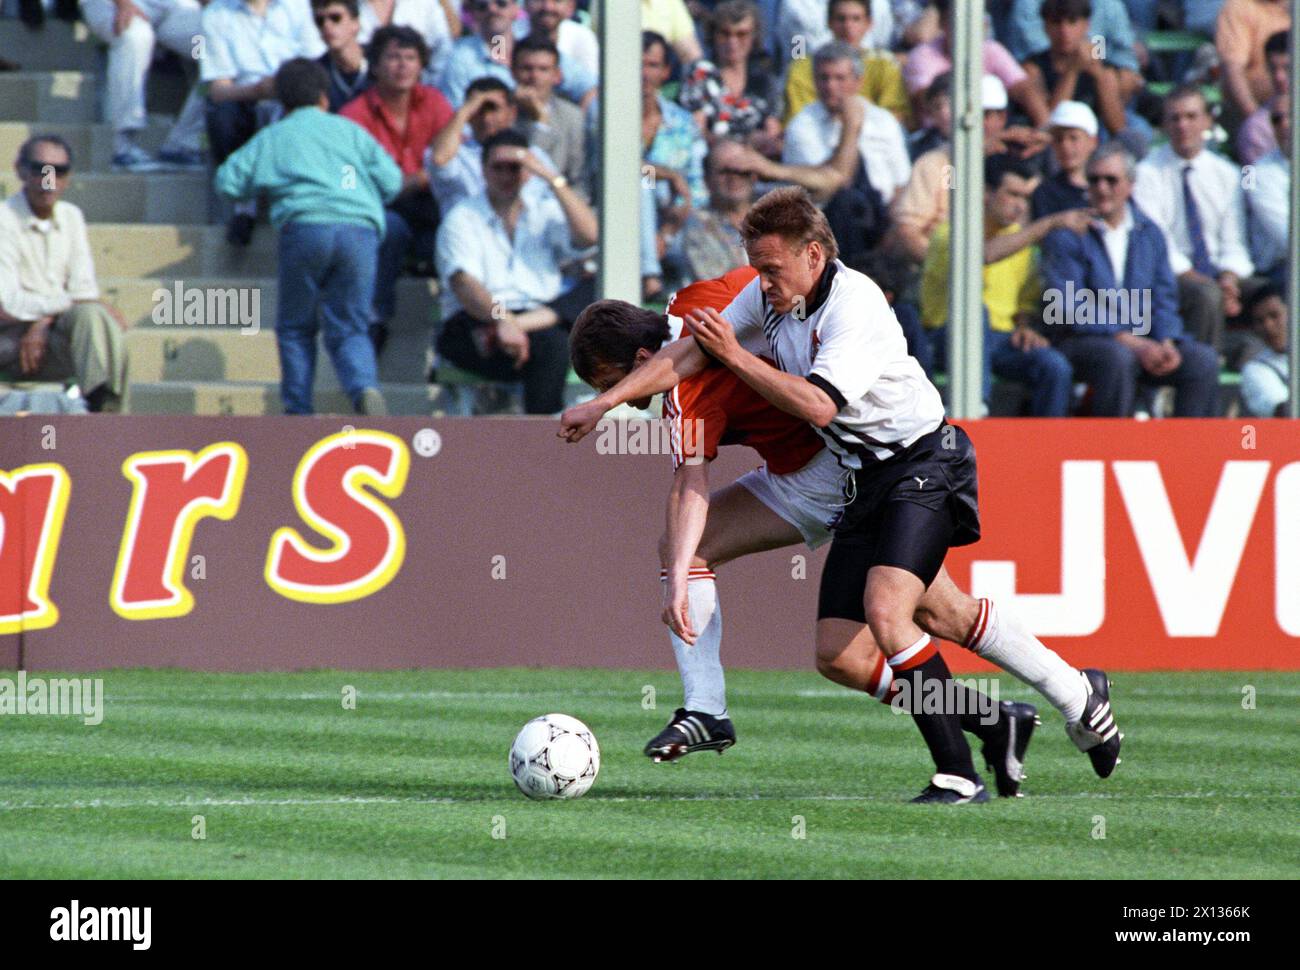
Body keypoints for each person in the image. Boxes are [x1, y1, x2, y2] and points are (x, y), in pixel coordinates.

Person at [561, 186, 1125, 803]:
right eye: (756, 267)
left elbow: (815, 404)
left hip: (918, 462)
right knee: (852, 647)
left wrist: (729, 356)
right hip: (860, 476)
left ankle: (958, 773)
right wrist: (602, 403)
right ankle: (1048, 701)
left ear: (812, 254)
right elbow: (690, 352)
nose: (762, 281)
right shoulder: (756, 296)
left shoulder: (851, 306)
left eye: (771, 268)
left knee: (891, 613)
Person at [215, 58, 401, 416]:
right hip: (359, 232)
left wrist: (270, 184)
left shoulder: (273, 136)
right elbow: (391, 183)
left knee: (297, 327)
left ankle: (299, 409)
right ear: (324, 97)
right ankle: (363, 387)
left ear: (281, 102)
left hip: (304, 230)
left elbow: (228, 183)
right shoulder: (349, 131)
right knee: (350, 327)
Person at [1042, 142, 1221, 417]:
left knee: (1202, 361)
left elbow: (1164, 298)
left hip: (1142, 340)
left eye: (1111, 180)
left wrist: (1167, 342)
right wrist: (1132, 341)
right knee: (1118, 358)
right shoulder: (1068, 233)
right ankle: (1109, 450)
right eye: (1094, 180)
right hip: (1079, 340)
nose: (1102, 188)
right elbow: (1067, 307)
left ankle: (1191, 455)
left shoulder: (1150, 233)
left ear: (1130, 185)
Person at [434, 128, 598, 414]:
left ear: (528, 171)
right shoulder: (462, 217)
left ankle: (537, 433)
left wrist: (552, 178)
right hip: (479, 319)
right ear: (483, 170)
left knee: (598, 289)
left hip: (537, 318)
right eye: (499, 168)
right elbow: (464, 284)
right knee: (553, 348)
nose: (507, 176)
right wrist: (503, 320)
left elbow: (589, 236)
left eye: (515, 168)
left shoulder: (542, 210)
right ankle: (541, 437)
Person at [921, 154, 1081, 416]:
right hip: (947, 336)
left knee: (1054, 365)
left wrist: (1025, 327)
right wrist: (1047, 224)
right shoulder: (950, 232)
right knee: (975, 312)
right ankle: (977, 411)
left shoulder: (1020, 243)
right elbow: (982, 255)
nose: (1020, 205)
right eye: (1013, 195)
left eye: (1025, 198)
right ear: (986, 193)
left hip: (1001, 340)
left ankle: (1050, 447)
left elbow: (1024, 302)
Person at [340, 25, 453, 350]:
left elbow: (452, 160)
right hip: (380, 206)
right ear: (374, 65)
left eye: (410, 57)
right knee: (390, 230)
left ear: (421, 65)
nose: (402, 65)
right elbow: (355, 181)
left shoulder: (435, 102)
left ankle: (450, 331)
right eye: (392, 57)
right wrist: (416, 178)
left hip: (432, 205)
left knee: (456, 231)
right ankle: (375, 319)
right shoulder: (355, 113)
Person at [0, 136, 128, 411]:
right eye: (40, 169)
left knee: (98, 318)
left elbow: (85, 291)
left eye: (58, 172)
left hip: (49, 338)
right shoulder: (4, 219)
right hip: (8, 341)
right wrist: (63, 306)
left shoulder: (71, 216)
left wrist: (43, 322)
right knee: (95, 314)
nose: (49, 180)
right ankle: (105, 413)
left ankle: (107, 412)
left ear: (68, 178)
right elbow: (8, 304)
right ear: (21, 170)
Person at [1133, 86, 1256, 354]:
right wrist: (1206, 282)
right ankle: (1202, 376)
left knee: (1273, 293)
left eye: (1191, 116)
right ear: (1164, 124)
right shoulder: (1146, 173)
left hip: (1217, 272)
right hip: (1170, 276)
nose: (1183, 125)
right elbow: (1158, 244)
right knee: (1206, 296)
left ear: (1207, 121)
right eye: (1175, 118)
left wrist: (1229, 279)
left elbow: (1234, 241)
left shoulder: (1228, 174)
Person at [201, 0, 326, 246]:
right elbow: (217, 89)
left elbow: (314, 61)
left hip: (295, 92)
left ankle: (303, 205)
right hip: (244, 96)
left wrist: (288, 88)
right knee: (221, 114)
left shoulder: (297, 6)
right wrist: (258, 90)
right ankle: (243, 207)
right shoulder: (215, 13)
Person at [888, 75, 1048, 266]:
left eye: (989, 115)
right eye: (975, 116)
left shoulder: (1020, 163)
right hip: (942, 271)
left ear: (1002, 117)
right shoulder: (936, 163)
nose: (980, 124)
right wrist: (943, 271)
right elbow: (907, 231)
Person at [80, 0, 207, 170]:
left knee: (218, 49)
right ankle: (122, 146)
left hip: (174, 7)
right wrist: (123, 4)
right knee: (135, 35)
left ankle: (183, 145)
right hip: (111, 4)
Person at [784, 41, 911, 205]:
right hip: (826, 217)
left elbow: (902, 182)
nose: (830, 86)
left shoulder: (884, 121)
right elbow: (830, 184)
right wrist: (851, 127)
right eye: (824, 78)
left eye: (840, 78)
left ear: (859, 81)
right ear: (815, 81)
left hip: (882, 215)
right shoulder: (802, 125)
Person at [1021, 0, 1142, 155]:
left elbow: (1118, 129)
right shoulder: (1033, 68)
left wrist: (1099, 75)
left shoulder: (1102, 66)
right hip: (1054, 147)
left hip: (1096, 141)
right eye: (1056, 23)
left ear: (1086, 25)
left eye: (1072, 22)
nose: (1064, 31)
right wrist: (1072, 71)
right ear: (1045, 26)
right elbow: (1049, 125)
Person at [903, 0, 1050, 127]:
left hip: (991, 137)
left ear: (984, 23)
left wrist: (1044, 133)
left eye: (971, 19)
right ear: (942, 22)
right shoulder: (922, 56)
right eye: (956, 20)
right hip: (938, 140)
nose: (964, 28)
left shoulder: (992, 50)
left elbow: (1025, 91)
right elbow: (932, 106)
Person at [439, 0, 596, 108]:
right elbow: (455, 112)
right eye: (482, 6)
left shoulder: (529, 43)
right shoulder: (460, 57)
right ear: (473, 14)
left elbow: (588, 86)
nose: (492, 10)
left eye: (501, 3)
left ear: (516, 9)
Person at [678, 0, 783, 155]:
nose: (732, 42)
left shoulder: (764, 79)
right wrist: (740, 143)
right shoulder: (699, 73)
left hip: (755, 163)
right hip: (710, 161)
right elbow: (694, 133)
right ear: (713, 35)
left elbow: (772, 133)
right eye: (725, 34)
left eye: (741, 34)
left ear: (754, 37)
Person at [783, 0, 910, 126]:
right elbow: (798, 119)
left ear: (869, 23)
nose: (848, 26)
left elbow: (896, 115)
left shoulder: (885, 65)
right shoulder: (802, 68)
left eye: (856, 19)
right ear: (829, 22)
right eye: (841, 19)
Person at [511, 35, 587, 197]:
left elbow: (578, 177)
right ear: (513, 71)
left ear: (557, 75)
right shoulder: (502, 111)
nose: (534, 77)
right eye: (527, 68)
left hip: (560, 206)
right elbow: (523, 173)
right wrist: (540, 123)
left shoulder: (572, 117)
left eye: (543, 69)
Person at [1216, 0, 1291, 131]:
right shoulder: (1239, 7)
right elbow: (1233, 70)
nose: (1279, 77)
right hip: (1253, 113)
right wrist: (1259, 123)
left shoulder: (1295, 8)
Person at [1244, 93, 1290, 290]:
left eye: (1291, 115)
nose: (1285, 125)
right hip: (1276, 269)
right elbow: (1286, 235)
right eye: (1277, 119)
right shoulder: (1256, 172)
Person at [355, 0, 456, 83]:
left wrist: (426, 85)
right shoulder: (345, 7)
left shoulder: (424, 4)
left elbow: (442, 49)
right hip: (355, 91)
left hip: (420, 92)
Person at [1030, 100, 1098, 219]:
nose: (1065, 146)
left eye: (1073, 138)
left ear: (1093, 142)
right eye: (1059, 139)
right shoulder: (1046, 193)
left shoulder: (1106, 186)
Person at [1237, 29, 1289, 164]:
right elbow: (1251, 180)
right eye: (1273, 69)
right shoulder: (1256, 128)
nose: (1279, 77)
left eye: (1287, 68)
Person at [1239, 284, 1289, 417]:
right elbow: (1282, 411)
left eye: (1275, 316)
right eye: (1260, 321)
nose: (1268, 326)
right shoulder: (1255, 369)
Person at [312, 0, 370, 111]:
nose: (327, 25)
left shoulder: (380, 60)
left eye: (335, 18)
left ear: (356, 23)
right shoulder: (316, 72)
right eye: (319, 21)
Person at [524, 0, 599, 80]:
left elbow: (591, 86)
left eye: (557, 1)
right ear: (526, 3)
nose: (548, 7)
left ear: (570, 6)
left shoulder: (582, 37)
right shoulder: (513, 33)